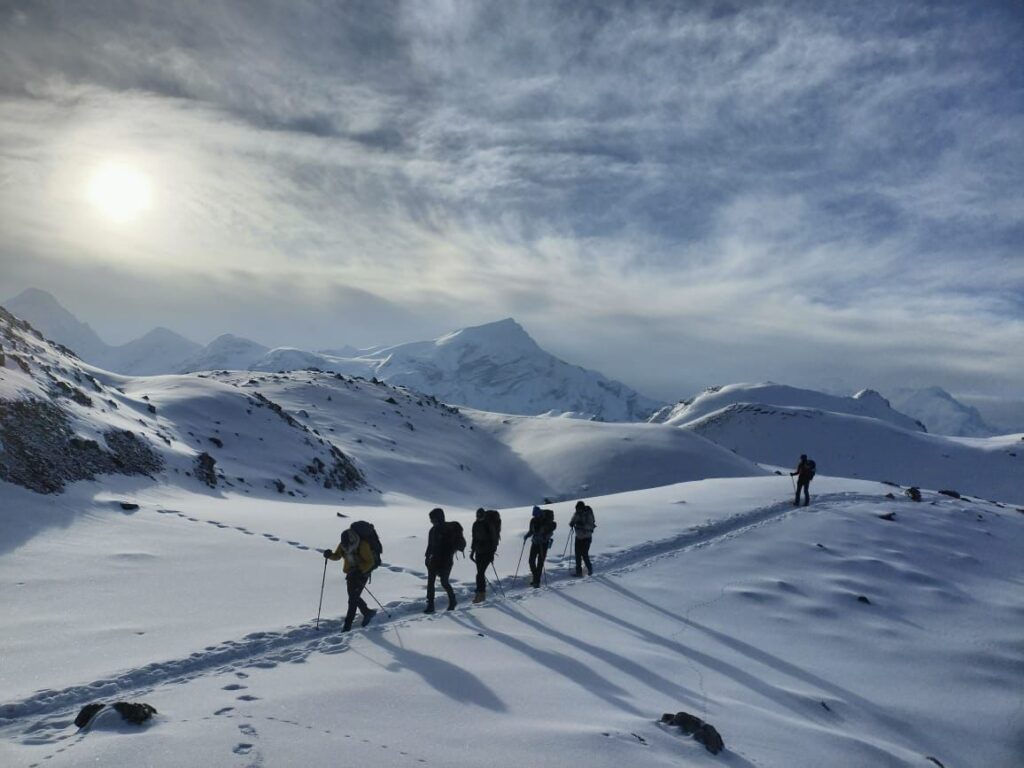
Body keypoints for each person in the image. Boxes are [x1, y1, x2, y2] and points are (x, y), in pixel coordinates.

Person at [323, 527, 377, 632]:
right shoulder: (343, 544)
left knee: (352, 599)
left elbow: (370, 562)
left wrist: (359, 570)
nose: (344, 546)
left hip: (362, 574)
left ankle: (347, 627)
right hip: (350, 574)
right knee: (353, 597)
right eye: (343, 543)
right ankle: (367, 612)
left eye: (346, 543)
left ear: (352, 539)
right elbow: (337, 556)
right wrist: (330, 555)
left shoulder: (363, 545)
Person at [424, 507, 458, 613]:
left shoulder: (448, 530)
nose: (432, 521)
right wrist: (427, 557)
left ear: (439, 518)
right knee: (430, 583)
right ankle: (430, 605)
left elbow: (450, 547)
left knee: (444, 582)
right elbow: (430, 545)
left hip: (445, 561)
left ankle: (452, 600)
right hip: (434, 560)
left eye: (433, 519)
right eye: (431, 519)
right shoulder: (432, 530)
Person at [470, 508, 500, 603]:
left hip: (487, 552)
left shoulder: (488, 525)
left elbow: (494, 540)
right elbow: (474, 538)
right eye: (478, 516)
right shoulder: (475, 525)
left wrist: (491, 554)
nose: (479, 518)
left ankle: (481, 594)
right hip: (479, 551)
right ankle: (479, 591)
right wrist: (472, 551)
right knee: (479, 573)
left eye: (481, 516)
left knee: (480, 573)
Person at [524, 505, 556, 588]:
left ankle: (536, 582)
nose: (535, 516)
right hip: (535, 542)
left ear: (539, 513)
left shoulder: (546, 521)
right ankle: (536, 577)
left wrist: (545, 537)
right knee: (531, 561)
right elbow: (531, 531)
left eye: (536, 515)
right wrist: (527, 535)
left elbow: (551, 531)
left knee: (540, 563)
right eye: (534, 515)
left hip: (543, 544)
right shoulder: (533, 520)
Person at [569, 500, 596, 577]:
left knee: (584, 554)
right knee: (577, 555)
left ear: (582, 508)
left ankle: (590, 569)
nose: (577, 510)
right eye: (576, 509)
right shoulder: (577, 513)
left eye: (578, 509)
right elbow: (573, 520)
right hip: (578, 537)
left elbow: (591, 526)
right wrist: (571, 523)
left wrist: (582, 525)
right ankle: (579, 572)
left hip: (586, 537)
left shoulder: (588, 514)